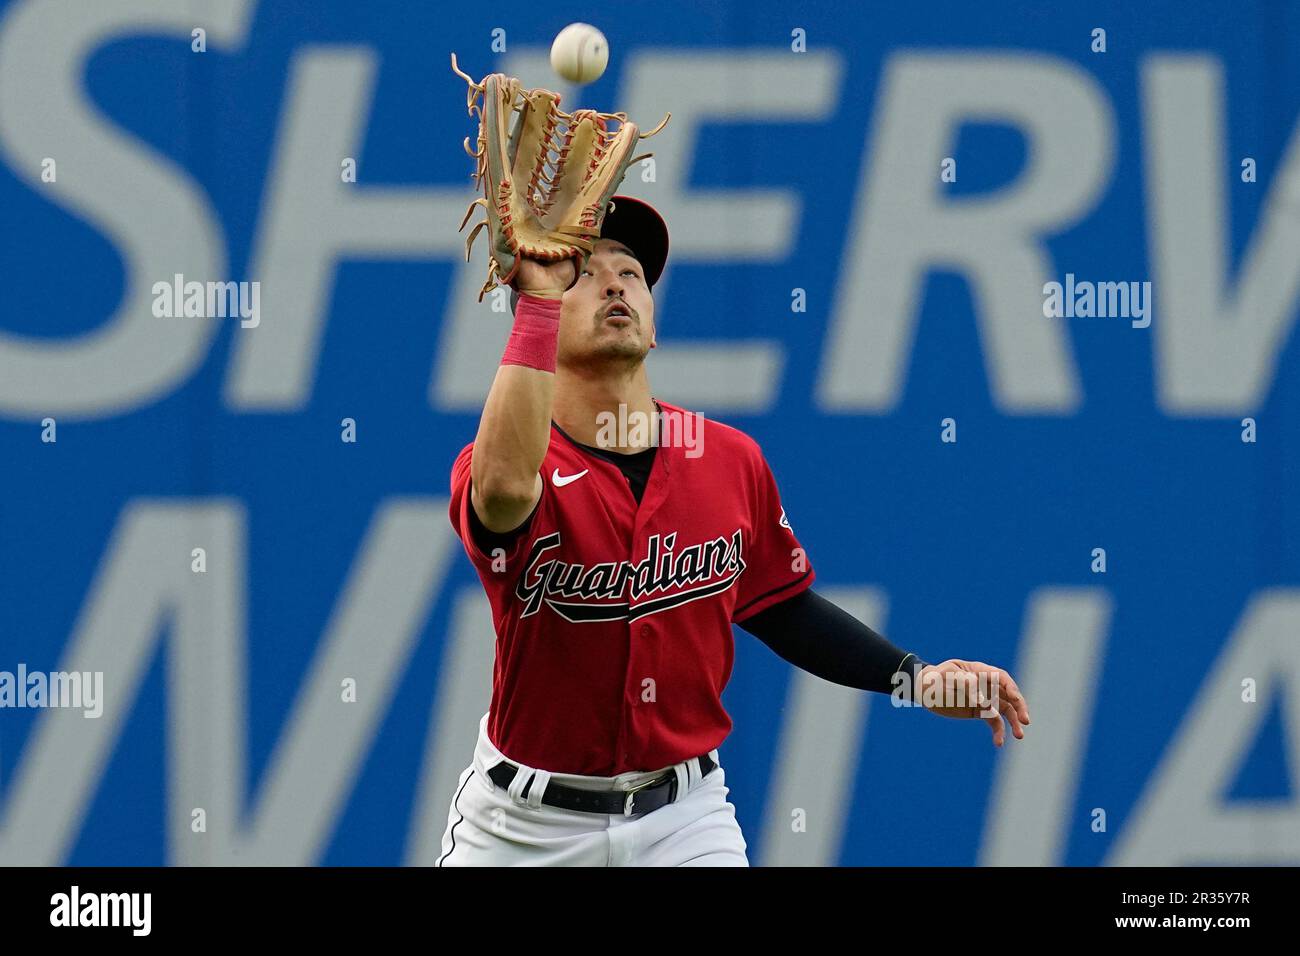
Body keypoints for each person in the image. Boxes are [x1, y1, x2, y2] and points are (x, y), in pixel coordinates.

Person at [437, 195, 1030, 866]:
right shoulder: (513, 465)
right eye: (582, 271)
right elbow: (506, 490)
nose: (613, 283)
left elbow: (782, 606)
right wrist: (539, 302)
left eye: (630, 272)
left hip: (684, 821)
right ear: (535, 321)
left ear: (653, 323)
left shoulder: (724, 458)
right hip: (523, 829)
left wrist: (916, 679)